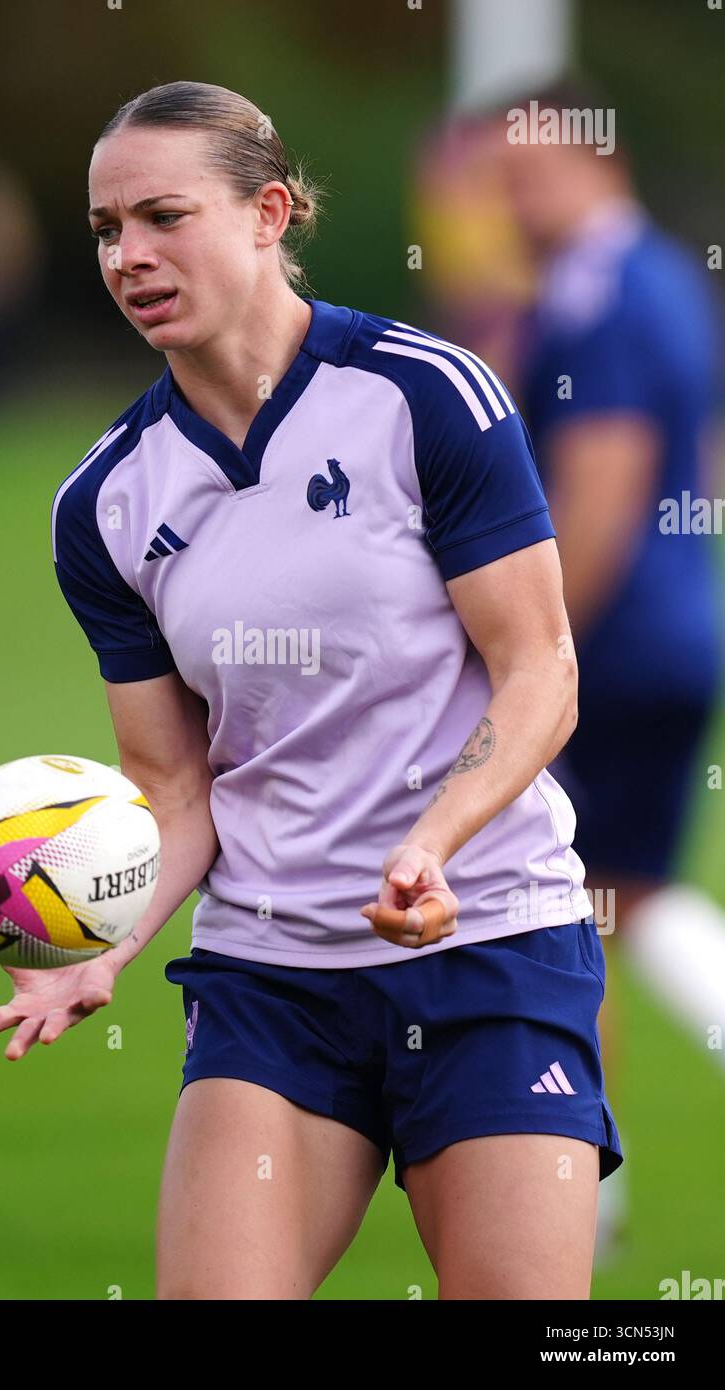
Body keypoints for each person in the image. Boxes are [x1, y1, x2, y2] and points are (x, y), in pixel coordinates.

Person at [0, 80, 622, 1300]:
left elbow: (542, 673)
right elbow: (174, 783)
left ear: (269, 213)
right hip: (269, 977)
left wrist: (431, 845)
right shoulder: (104, 504)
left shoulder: (426, 395)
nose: (130, 256)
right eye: (107, 230)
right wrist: (100, 943)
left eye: (164, 216)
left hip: (487, 945)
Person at [494, 79, 725, 1255]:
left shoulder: (606, 295)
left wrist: (532, 652)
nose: (514, 198)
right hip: (670, 636)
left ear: (602, 159)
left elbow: (605, 484)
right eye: (503, 174)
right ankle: (587, 1187)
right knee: (619, 895)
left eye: (535, 170)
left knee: (552, 911)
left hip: (608, 653)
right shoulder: (660, 279)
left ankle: (579, 1189)